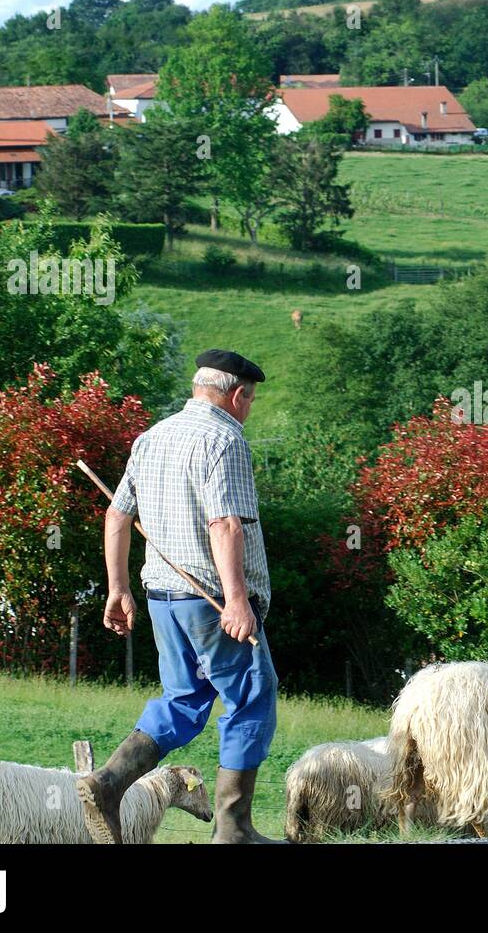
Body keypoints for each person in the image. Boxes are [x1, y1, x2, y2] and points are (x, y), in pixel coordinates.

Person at [77, 349, 283, 844]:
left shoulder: (152, 437)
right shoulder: (224, 440)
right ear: (238, 395)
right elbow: (225, 523)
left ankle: (107, 783)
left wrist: (118, 589)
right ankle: (233, 830)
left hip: (161, 599)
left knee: (185, 699)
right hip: (209, 601)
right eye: (250, 400)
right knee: (252, 699)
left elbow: (117, 516)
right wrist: (236, 601)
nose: (248, 410)